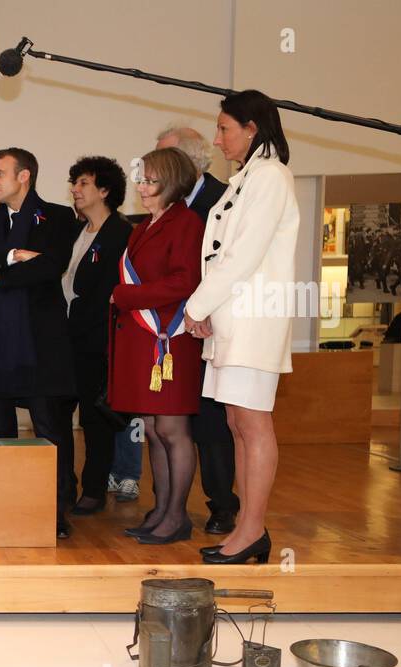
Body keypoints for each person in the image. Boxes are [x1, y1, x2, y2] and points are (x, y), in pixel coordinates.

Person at [184, 90, 300, 564]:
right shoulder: (246, 177)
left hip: (253, 317)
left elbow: (245, 253)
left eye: (224, 128)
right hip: (233, 316)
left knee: (252, 425)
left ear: (252, 128)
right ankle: (248, 530)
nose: (217, 139)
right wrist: (208, 307)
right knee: (237, 423)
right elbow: (220, 253)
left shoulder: (270, 175)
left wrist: (196, 305)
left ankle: (251, 530)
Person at [0, 147, 78, 536]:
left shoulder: (58, 216)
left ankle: (55, 510)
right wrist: (12, 256)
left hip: (40, 344)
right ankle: (5, 506)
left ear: (24, 176)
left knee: (50, 429)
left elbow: (49, 267)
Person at [108, 148, 204, 544]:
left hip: (170, 341)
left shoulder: (187, 222)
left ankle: (177, 517)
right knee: (151, 429)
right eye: (141, 179)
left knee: (172, 430)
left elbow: (186, 281)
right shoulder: (144, 226)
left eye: (150, 181)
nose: (142, 187)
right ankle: (161, 510)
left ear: (173, 183)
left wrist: (125, 297)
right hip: (144, 342)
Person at [156, 124, 240, 535]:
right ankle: (168, 508)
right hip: (172, 331)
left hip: (212, 326)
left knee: (211, 422)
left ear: (190, 161)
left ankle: (223, 504)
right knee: (169, 421)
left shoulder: (223, 199)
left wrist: (202, 309)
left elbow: (228, 266)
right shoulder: (165, 207)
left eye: (164, 158)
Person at [63, 156, 132, 515]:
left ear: (104, 190)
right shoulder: (77, 231)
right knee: (64, 414)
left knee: (94, 418)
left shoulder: (120, 234)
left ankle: (93, 488)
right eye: (74, 182)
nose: (75, 189)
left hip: (99, 339)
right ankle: (66, 486)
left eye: (84, 183)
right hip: (70, 335)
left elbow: (110, 291)